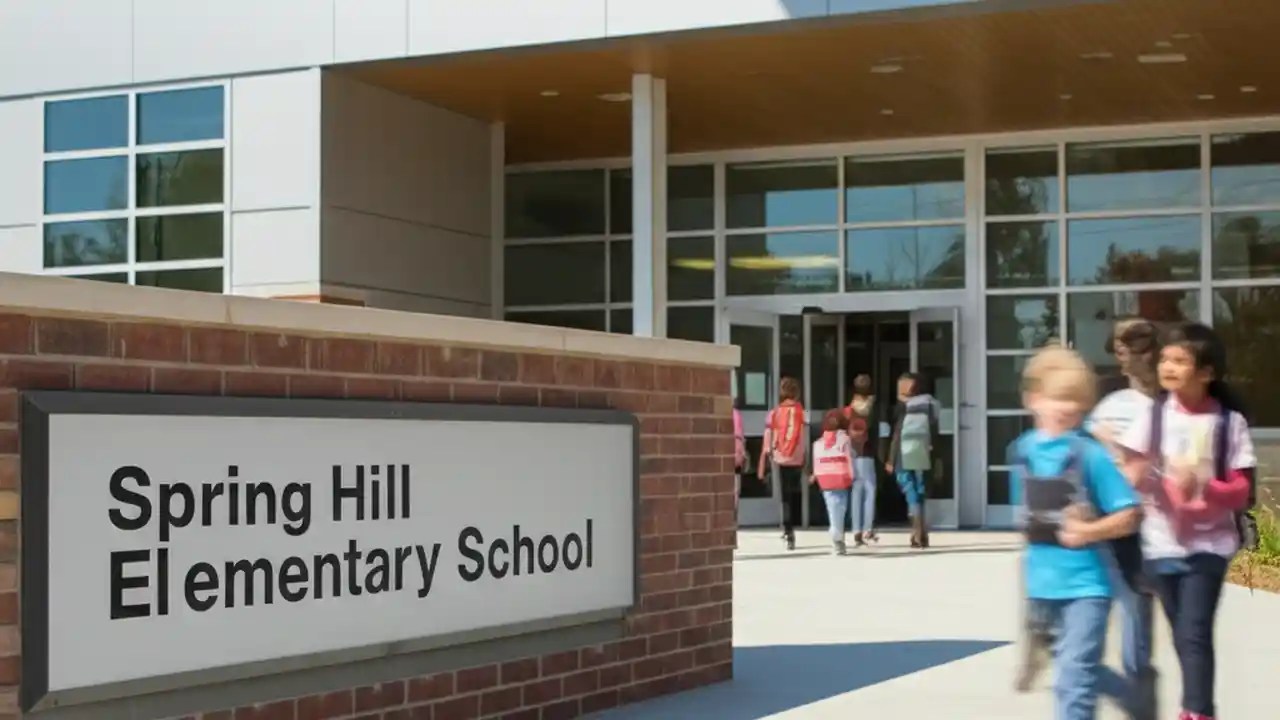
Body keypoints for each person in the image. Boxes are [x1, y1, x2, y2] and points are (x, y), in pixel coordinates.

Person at [1116, 323, 1256, 720]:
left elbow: (1241, 491)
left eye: (1180, 360)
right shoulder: (1153, 417)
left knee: (1194, 632)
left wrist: (1206, 487)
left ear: (1206, 372)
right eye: (1165, 359)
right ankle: (1197, 706)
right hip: (1161, 543)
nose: (1168, 367)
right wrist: (1135, 477)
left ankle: (1196, 711)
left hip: (1209, 545)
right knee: (1182, 633)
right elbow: (1131, 471)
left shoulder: (1228, 423)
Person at [1011, 345, 1143, 720]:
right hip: (1041, 587)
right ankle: (1134, 699)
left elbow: (1131, 514)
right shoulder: (1022, 452)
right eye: (1058, 398)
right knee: (1077, 667)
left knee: (1073, 680)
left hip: (1087, 588)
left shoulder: (1090, 455)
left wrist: (1089, 530)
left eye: (1075, 400)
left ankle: (1133, 700)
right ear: (1033, 399)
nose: (1067, 408)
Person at [1087, 319, 1162, 720]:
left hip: (1166, 529)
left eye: (1134, 347)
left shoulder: (1178, 406)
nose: (1127, 356)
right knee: (1130, 617)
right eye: (1121, 349)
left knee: (1167, 627)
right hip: (1120, 527)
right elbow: (1086, 462)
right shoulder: (1111, 408)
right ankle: (1140, 701)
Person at [885, 372, 939, 548]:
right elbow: (935, 432)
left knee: (910, 489)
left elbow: (897, 434)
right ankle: (922, 532)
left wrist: (890, 459)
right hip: (924, 451)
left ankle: (917, 531)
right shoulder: (930, 404)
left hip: (903, 453)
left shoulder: (903, 407)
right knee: (920, 489)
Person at [759, 377, 807, 551]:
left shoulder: (775, 412)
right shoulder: (801, 412)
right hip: (797, 457)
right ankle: (796, 523)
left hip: (780, 456)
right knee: (794, 493)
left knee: (785, 496)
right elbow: (802, 437)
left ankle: (788, 530)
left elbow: (769, 434)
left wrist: (767, 453)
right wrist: (804, 456)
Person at [811, 409, 856, 556]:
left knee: (832, 507)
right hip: (840, 477)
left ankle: (837, 537)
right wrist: (852, 475)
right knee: (840, 509)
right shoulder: (845, 440)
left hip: (824, 479)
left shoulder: (818, 443)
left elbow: (816, 462)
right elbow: (849, 458)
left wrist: (816, 475)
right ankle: (837, 537)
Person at [845, 374, 879, 546]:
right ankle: (868, 528)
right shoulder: (872, 406)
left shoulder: (850, 407)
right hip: (867, 451)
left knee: (856, 490)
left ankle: (856, 529)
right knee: (870, 490)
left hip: (853, 451)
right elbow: (878, 429)